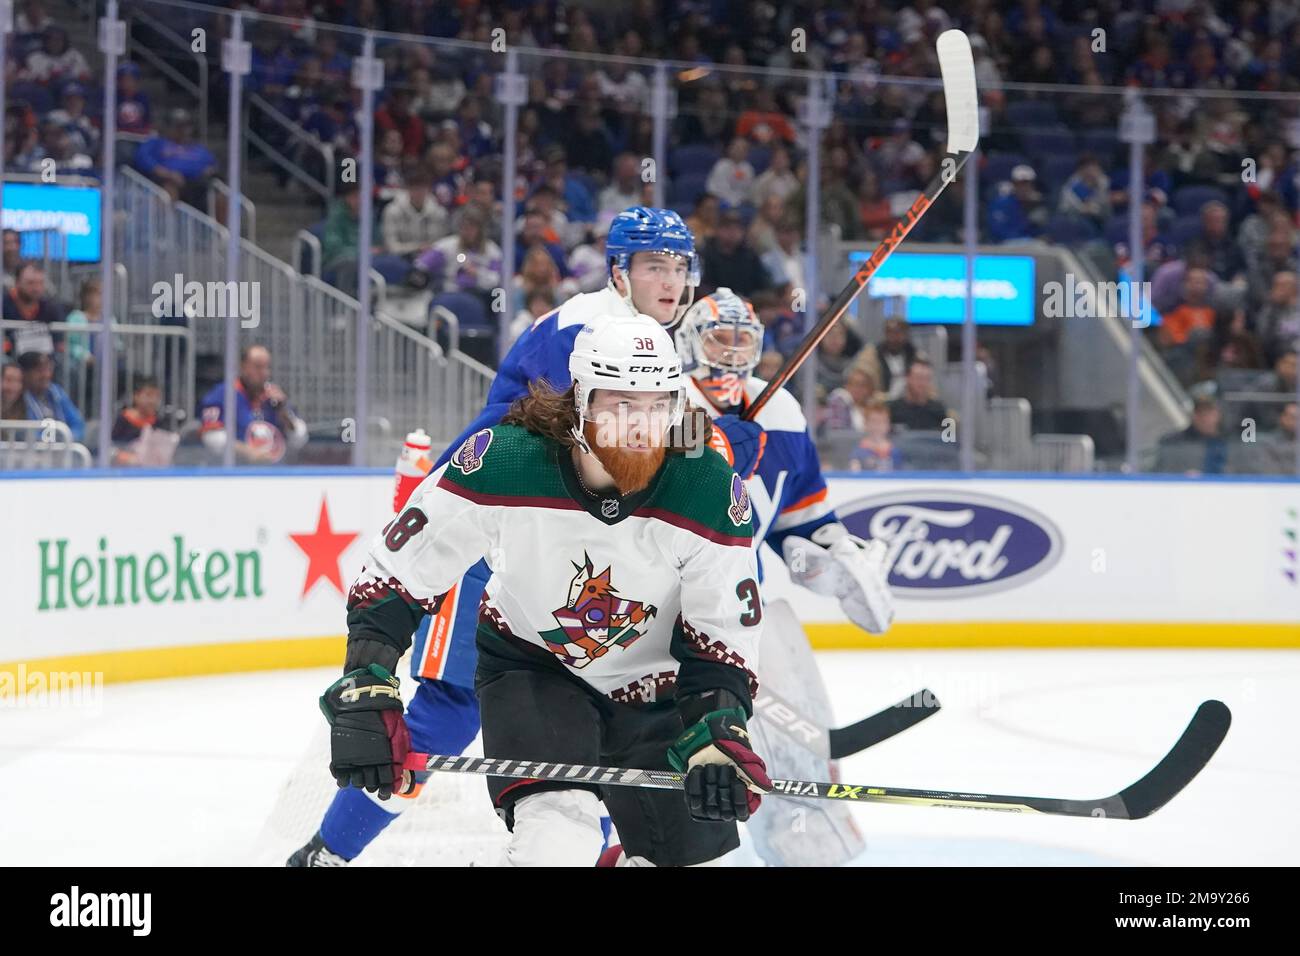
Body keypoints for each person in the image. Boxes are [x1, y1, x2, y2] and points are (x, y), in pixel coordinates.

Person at [288, 206, 709, 866]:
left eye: (680, 267)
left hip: (555, 545)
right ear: (620, 272)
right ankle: (325, 853)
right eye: (655, 265)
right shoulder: (595, 325)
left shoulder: (643, 337)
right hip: (494, 535)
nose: (671, 281)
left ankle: (591, 842)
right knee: (447, 713)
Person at [318, 314, 770, 867]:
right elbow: (398, 569)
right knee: (555, 840)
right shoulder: (502, 461)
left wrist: (718, 728)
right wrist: (367, 678)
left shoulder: (707, 488)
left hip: (662, 687)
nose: (641, 426)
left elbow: (721, 631)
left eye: (657, 405)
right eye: (622, 404)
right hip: (536, 669)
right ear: (581, 400)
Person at [673, 288, 893, 865]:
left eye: (745, 340)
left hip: (739, 614)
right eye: (720, 338)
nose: (732, 353)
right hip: (649, 617)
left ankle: (807, 846)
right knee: (653, 771)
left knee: (802, 755)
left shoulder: (781, 415)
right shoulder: (653, 402)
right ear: (689, 342)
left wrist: (831, 560)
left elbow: (804, 519)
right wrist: (714, 445)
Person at [198, 344, 307, 464]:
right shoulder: (221, 395)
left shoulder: (274, 397)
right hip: (235, 473)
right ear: (243, 367)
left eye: (267, 367)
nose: (264, 373)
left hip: (276, 474)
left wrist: (284, 414)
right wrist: (248, 452)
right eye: (258, 367)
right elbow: (212, 439)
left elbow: (300, 439)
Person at [17, 350, 83, 441]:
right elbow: (28, 434)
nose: (46, 375)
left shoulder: (56, 392)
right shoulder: (19, 397)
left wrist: (68, 438)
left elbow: (77, 423)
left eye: (48, 369)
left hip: (63, 448)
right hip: (34, 452)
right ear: (24, 373)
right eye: (39, 371)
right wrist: (49, 444)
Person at [887, 359, 950, 432]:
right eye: (919, 378)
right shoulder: (891, 410)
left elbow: (950, 440)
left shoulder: (939, 410)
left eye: (927, 379)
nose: (922, 383)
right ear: (907, 378)